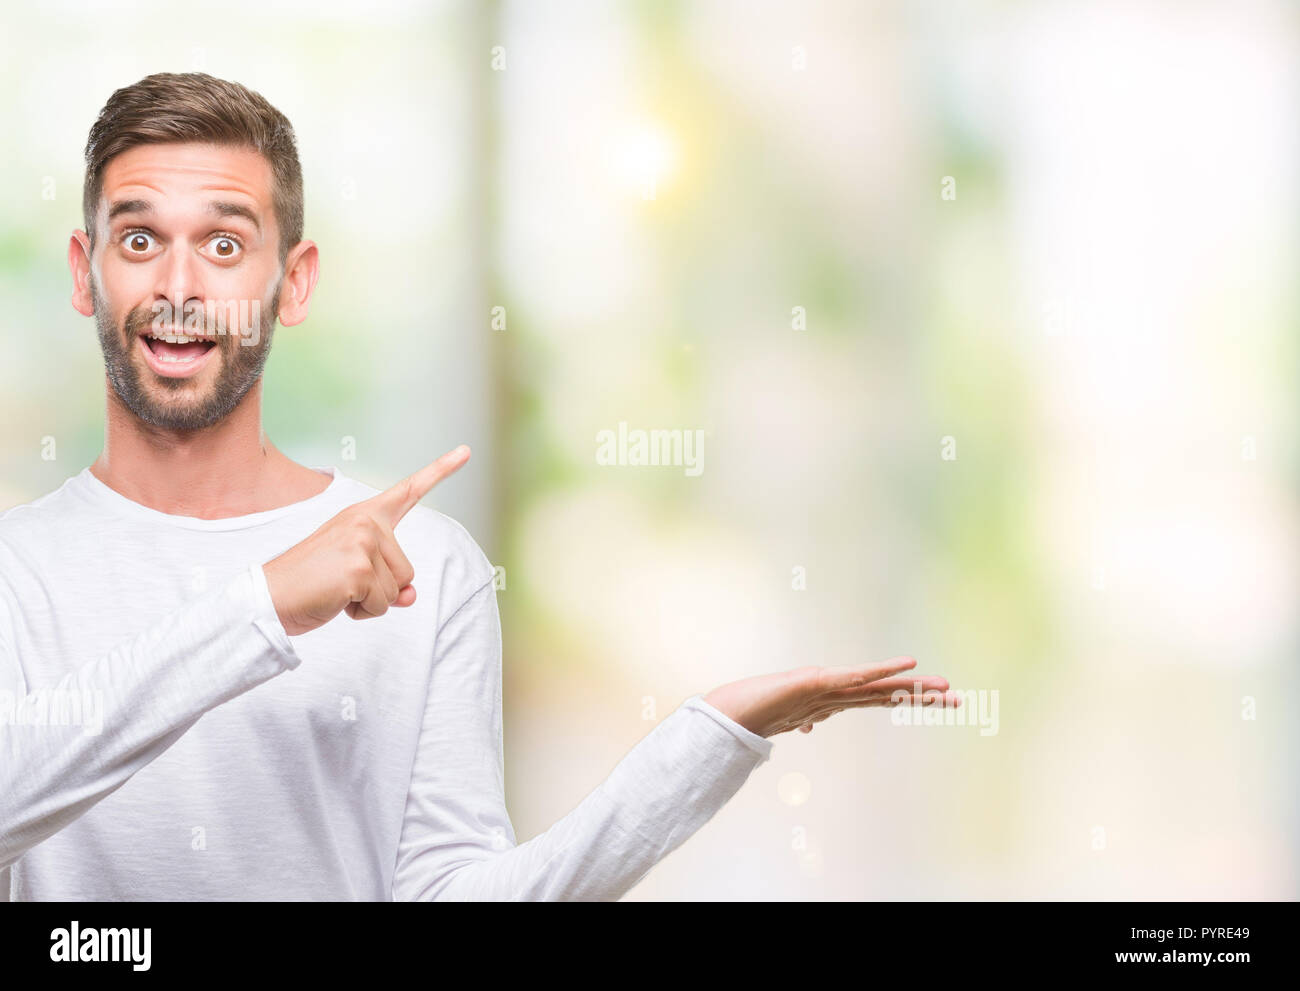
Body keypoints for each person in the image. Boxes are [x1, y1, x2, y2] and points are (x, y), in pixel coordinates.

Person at [0, 72, 958, 900]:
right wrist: (265, 604)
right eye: (137, 241)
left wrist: (705, 745)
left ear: (293, 283)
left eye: (223, 245)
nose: (178, 285)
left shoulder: (425, 567)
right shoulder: (17, 571)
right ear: (87, 273)